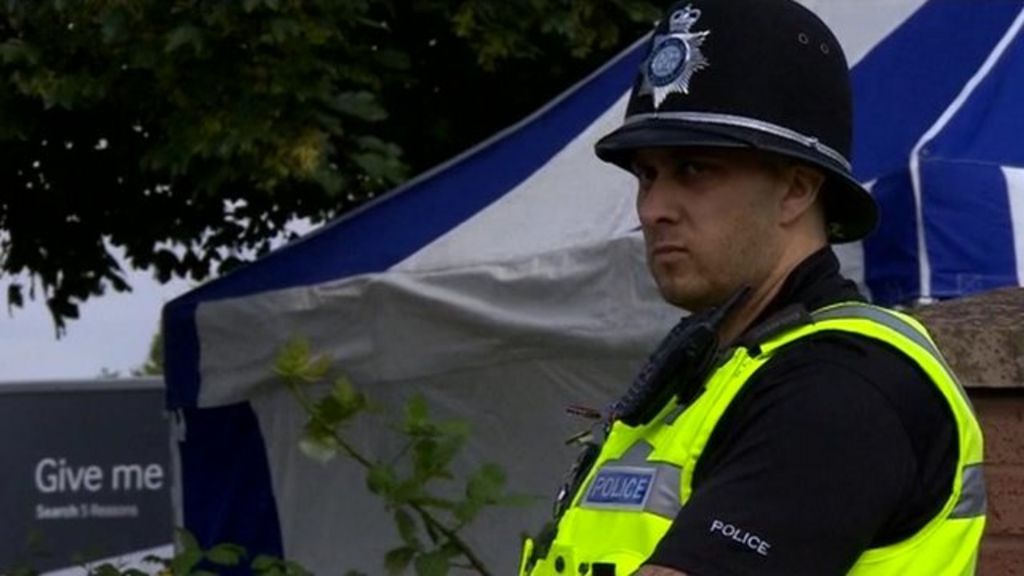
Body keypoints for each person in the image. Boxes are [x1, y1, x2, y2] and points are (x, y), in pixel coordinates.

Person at [518, 1, 986, 575]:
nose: (654, 209)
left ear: (795, 189)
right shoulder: (717, 373)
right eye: (647, 175)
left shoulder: (841, 388)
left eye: (693, 170)